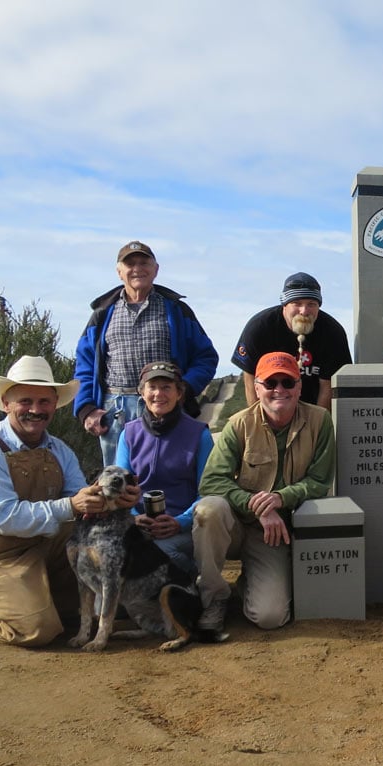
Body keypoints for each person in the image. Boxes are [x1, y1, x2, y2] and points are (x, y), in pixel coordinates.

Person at [0, 356, 138, 646]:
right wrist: (72, 505)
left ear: (55, 404)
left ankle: (41, 595)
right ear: (6, 403)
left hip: (38, 543)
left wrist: (115, 499)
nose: (36, 410)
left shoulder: (60, 449)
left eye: (44, 402)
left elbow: (81, 500)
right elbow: (3, 518)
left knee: (94, 590)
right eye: (25, 401)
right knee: (37, 629)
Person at [192, 351, 335, 637]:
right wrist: (256, 505)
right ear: (257, 388)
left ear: (299, 386)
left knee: (270, 616)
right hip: (235, 524)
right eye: (270, 383)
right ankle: (213, 598)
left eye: (287, 382)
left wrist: (281, 498)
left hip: (272, 534)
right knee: (208, 510)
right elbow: (211, 481)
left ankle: (248, 583)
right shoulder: (238, 424)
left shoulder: (320, 421)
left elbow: (320, 481)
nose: (279, 390)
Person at [74, 240, 218, 466]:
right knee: (117, 482)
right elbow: (84, 364)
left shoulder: (177, 310)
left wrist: (183, 390)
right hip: (115, 410)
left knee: (170, 473)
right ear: (119, 272)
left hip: (166, 404)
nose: (137, 269)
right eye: (130, 264)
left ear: (156, 269)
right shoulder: (102, 314)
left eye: (144, 262)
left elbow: (206, 357)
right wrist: (86, 409)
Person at [115, 361, 214, 578]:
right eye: (152, 387)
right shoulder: (128, 435)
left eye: (167, 387)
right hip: (139, 528)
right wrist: (134, 518)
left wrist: (180, 522)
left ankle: (194, 581)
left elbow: (208, 492)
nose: (159, 393)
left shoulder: (200, 435)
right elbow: (119, 489)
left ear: (180, 393)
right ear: (142, 392)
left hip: (185, 530)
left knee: (159, 551)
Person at [230, 272, 352, 412]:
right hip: (272, 403)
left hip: (313, 407)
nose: (304, 311)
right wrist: (259, 422)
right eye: (297, 303)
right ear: (285, 305)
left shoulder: (332, 332)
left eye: (311, 304)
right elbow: (251, 381)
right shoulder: (259, 329)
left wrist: (316, 425)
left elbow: (328, 387)